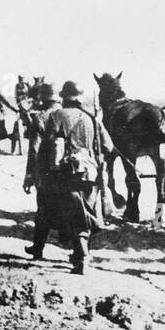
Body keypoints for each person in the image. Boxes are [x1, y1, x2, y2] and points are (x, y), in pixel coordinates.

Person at [32, 80, 99, 275]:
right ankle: (82, 255)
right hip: (91, 174)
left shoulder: (57, 116)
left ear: (64, 97)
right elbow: (107, 147)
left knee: (74, 216)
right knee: (85, 214)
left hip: (67, 174)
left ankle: (82, 258)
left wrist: (46, 173)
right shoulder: (91, 118)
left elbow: (48, 147)